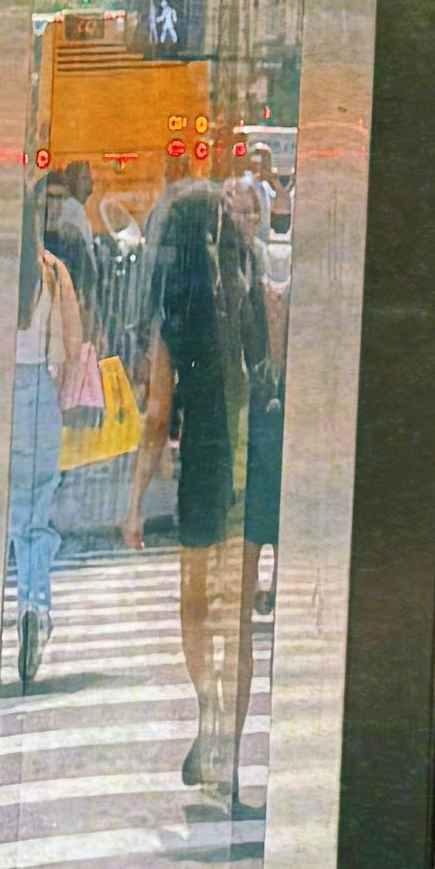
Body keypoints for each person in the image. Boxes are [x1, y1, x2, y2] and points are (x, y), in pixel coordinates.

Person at [127, 180, 268, 819]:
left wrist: (133, 501)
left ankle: (208, 706)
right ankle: (228, 762)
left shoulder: (173, 314)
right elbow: (273, 374)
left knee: (195, 608)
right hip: (251, 467)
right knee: (237, 620)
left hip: (205, 469)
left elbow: (157, 415)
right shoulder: (254, 294)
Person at [2, 174, 103, 691]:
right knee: (37, 507)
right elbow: (74, 342)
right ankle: (34, 604)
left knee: (13, 508)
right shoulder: (51, 271)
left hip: (1, 397)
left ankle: (23, 601)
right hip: (39, 392)